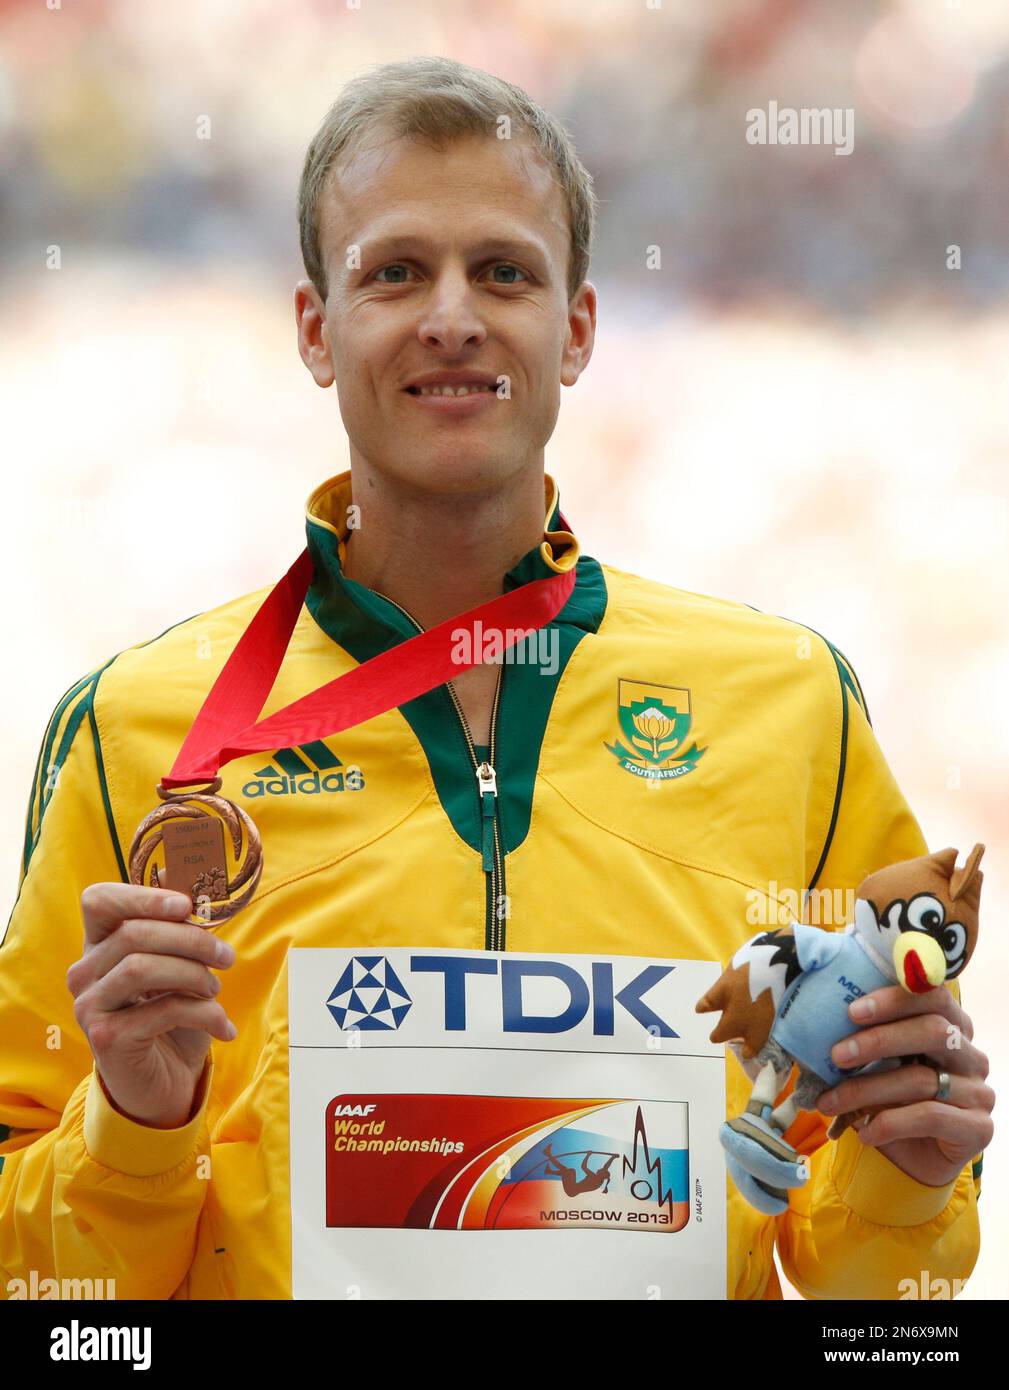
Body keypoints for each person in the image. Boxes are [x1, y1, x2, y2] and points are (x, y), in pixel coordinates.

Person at [0, 56, 991, 1301]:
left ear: (576, 329)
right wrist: (135, 1130)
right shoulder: (138, 730)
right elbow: (45, 1299)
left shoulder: (790, 704)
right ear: (317, 330)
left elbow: (864, 1286)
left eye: (504, 270)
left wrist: (906, 1171)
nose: (452, 316)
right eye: (395, 270)